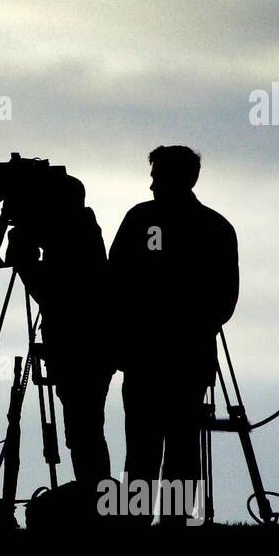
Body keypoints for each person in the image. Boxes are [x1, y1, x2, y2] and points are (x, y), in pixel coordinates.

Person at [109, 146, 238, 526]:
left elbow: (115, 283)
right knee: (173, 446)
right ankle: (171, 523)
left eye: (158, 176)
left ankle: (145, 523)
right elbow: (224, 301)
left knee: (150, 447)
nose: (151, 184)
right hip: (181, 355)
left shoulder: (145, 220)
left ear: (181, 179)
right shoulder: (214, 227)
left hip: (156, 355)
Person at [6, 172, 114, 491]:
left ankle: (96, 501)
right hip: (89, 346)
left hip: (78, 346)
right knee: (86, 429)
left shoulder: (74, 235)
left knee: (83, 431)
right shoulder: (80, 228)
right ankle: (97, 501)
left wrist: (25, 264)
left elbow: (55, 294)